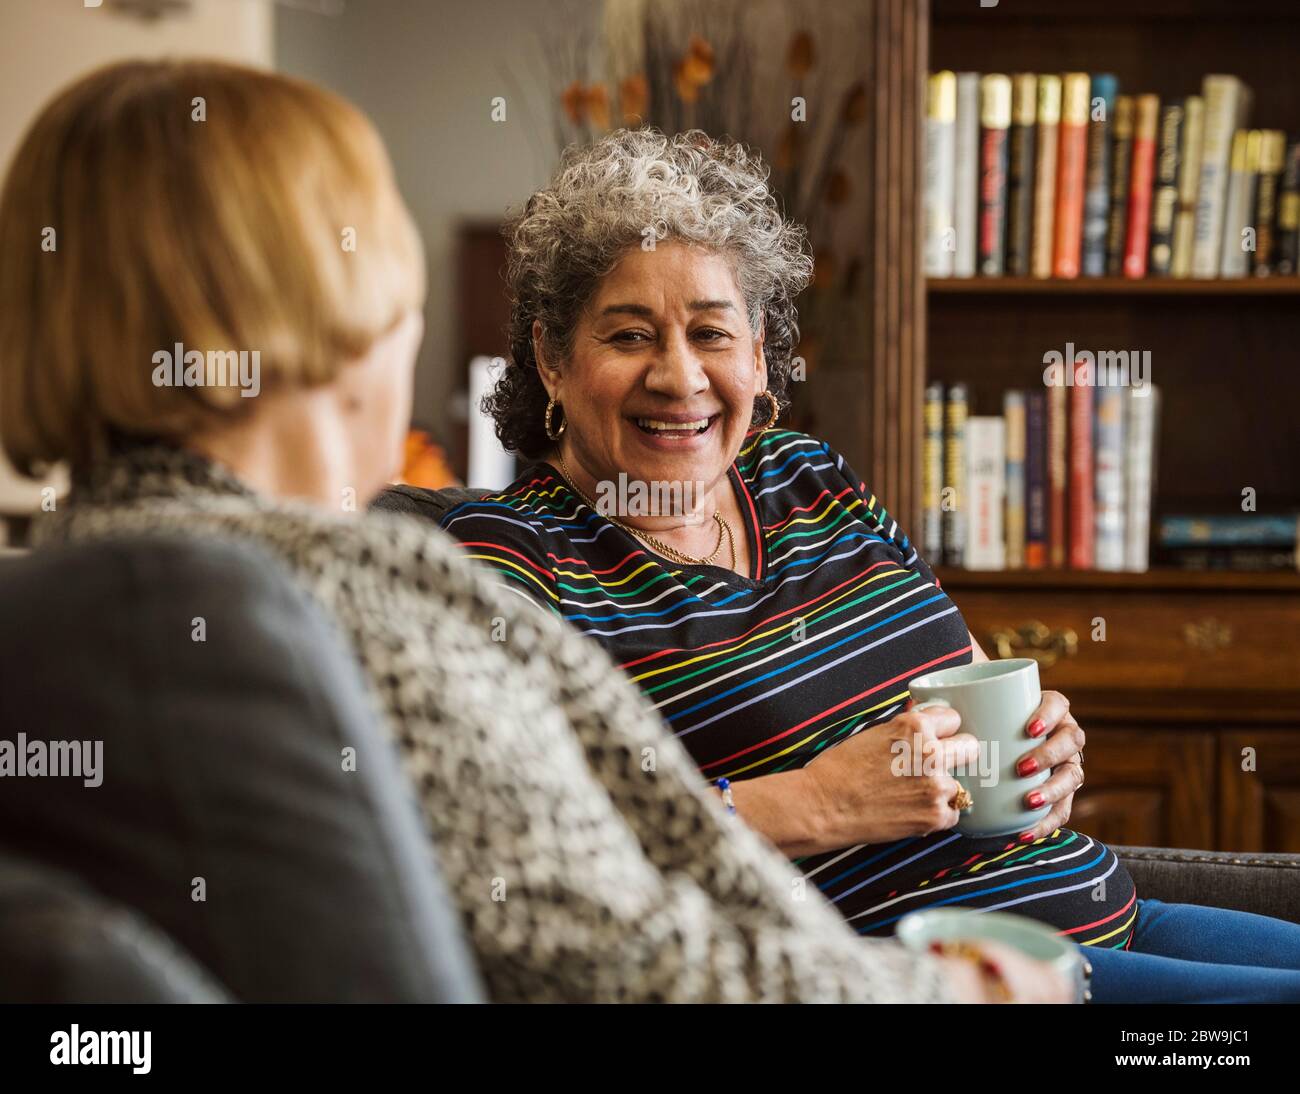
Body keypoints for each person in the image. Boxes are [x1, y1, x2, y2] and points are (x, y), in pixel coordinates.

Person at [0, 60, 1062, 1004]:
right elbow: (624, 962)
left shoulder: (62, 594)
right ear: (340, 302)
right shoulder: (351, 600)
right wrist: (962, 989)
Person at [430, 127, 1300, 1003]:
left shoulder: (807, 475)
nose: (680, 376)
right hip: (923, 976)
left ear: (759, 353)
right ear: (550, 357)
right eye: (629, 336)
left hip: (1104, 909)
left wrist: (1044, 749)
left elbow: (968, 690)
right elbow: (535, 862)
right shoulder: (504, 563)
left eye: (711, 333)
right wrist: (820, 802)